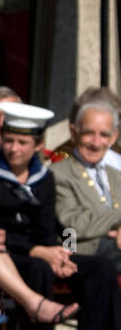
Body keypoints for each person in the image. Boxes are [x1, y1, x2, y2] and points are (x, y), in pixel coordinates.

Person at [0, 102, 121, 330]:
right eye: (9, 140)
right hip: (8, 255)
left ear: (38, 145)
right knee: (39, 267)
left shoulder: (43, 177)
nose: (15, 148)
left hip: (44, 249)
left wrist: (61, 254)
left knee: (98, 268)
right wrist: (43, 251)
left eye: (23, 142)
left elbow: (47, 228)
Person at [52, 97, 121, 269]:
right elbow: (75, 225)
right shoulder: (59, 173)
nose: (96, 143)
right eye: (89, 133)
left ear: (114, 137)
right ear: (74, 132)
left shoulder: (115, 174)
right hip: (76, 251)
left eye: (104, 135)